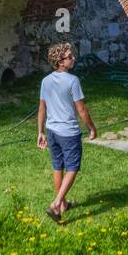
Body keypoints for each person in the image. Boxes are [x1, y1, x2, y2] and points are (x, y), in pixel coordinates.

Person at [37, 42, 97, 222]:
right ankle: (56, 204)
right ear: (60, 62)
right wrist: (91, 128)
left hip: (52, 131)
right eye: (70, 57)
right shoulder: (73, 80)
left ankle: (63, 205)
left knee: (58, 166)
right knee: (72, 167)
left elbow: (41, 109)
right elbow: (82, 110)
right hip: (68, 133)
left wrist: (40, 132)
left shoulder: (45, 81)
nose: (73, 59)